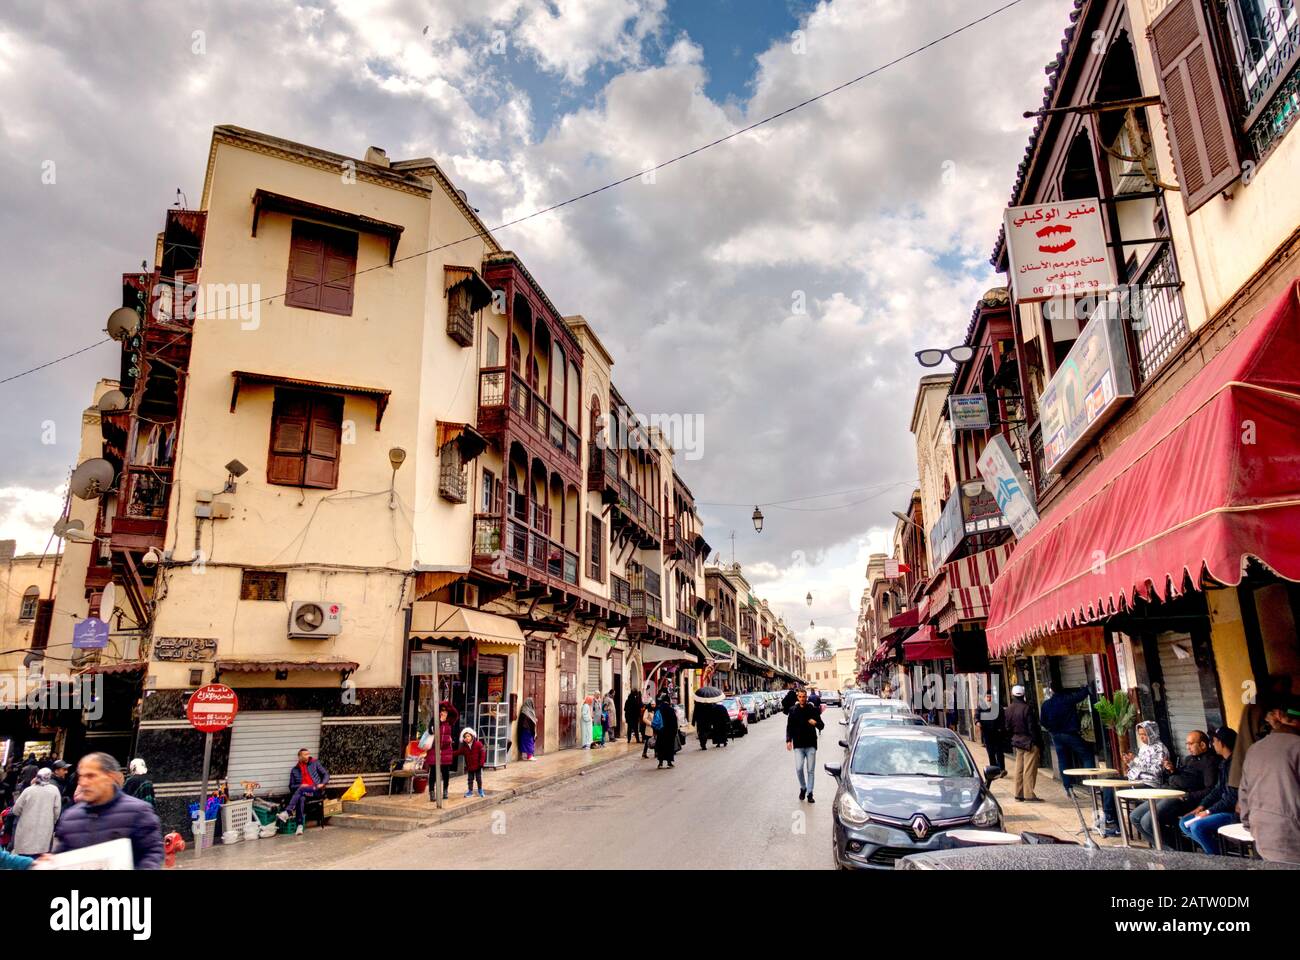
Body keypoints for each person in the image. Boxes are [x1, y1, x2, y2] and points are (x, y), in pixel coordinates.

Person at [53, 752, 163, 870]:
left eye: (91, 776)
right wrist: (51, 862)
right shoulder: (70, 817)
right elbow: (62, 857)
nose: (83, 783)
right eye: (81, 776)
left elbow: (152, 852)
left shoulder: (139, 812)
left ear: (110, 777)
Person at [1238, 695, 1300, 864]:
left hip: (1263, 835)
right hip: (1294, 838)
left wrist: (1250, 825)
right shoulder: (1297, 747)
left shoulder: (1255, 749)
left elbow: (1244, 794)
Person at [1130, 730, 1217, 846]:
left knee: (1147, 822)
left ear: (1202, 745)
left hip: (1183, 799)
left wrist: (1188, 796)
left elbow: (1210, 789)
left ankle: (1180, 849)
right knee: (1135, 816)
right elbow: (1181, 775)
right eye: (1186, 744)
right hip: (1169, 791)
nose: (1187, 747)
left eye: (1191, 744)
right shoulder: (1189, 759)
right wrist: (1172, 770)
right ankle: (1164, 848)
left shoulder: (1210, 762)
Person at [1178, 727, 1238, 855]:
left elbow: (1232, 798)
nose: (1212, 744)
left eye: (1214, 741)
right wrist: (1202, 806)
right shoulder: (1224, 763)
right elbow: (1217, 790)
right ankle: (1217, 851)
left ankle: (1218, 859)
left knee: (1197, 827)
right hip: (1220, 808)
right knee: (1184, 822)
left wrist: (1209, 811)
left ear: (1221, 743)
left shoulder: (1235, 765)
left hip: (1233, 813)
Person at [277, 748, 329, 834]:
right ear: (299, 756)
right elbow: (291, 786)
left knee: (301, 790)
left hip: (316, 790)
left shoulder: (315, 763)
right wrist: (300, 786)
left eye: (308, 754)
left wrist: (322, 783)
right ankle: (299, 826)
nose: (307, 756)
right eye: (305, 754)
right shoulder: (294, 770)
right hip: (303, 793)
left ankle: (287, 811)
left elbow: (325, 774)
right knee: (301, 798)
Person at [785, 687, 824, 803]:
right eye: (800, 697)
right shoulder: (793, 710)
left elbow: (822, 725)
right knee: (799, 768)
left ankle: (810, 793)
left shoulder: (812, 710)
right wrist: (788, 740)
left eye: (804, 697)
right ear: (798, 697)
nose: (802, 699)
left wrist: (815, 723)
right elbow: (789, 727)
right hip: (798, 745)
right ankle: (803, 787)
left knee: (810, 771)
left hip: (811, 744)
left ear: (806, 698)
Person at [1004, 685, 1042, 802]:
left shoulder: (1009, 709)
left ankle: (1018, 793)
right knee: (1029, 769)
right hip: (1029, 742)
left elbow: (1007, 727)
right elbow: (1032, 727)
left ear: (1012, 694)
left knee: (1019, 768)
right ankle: (1029, 794)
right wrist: (1037, 742)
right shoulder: (1027, 708)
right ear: (1023, 695)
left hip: (1018, 741)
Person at [11, 767, 61, 857]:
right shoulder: (54, 790)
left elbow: (16, 810)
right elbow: (57, 812)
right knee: (40, 859)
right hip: (45, 828)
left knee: (24, 859)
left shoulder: (28, 790)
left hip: (26, 830)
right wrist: (51, 821)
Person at [424, 702, 459, 802]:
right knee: (433, 773)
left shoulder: (450, 722)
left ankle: (445, 791)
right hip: (434, 750)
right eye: (442, 710)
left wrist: (450, 740)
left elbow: (453, 735)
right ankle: (431, 792)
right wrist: (439, 722)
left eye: (445, 711)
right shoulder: (434, 720)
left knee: (445, 773)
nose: (443, 713)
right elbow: (431, 731)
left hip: (446, 751)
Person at [976, 691, 1006, 772]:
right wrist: (977, 722)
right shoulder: (981, 707)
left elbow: (1003, 719)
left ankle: (1002, 769)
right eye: (988, 697)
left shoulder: (998, 707)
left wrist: (1001, 728)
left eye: (990, 697)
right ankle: (994, 769)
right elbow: (977, 716)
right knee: (990, 752)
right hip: (987, 733)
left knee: (999, 752)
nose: (989, 698)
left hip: (997, 733)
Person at [455, 728, 487, 798]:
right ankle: (470, 791)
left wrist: (481, 763)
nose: (467, 738)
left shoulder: (478, 744)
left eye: (468, 736)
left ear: (472, 736)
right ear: (464, 739)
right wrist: (447, 754)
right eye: (465, 737)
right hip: (470, 766)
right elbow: (457, 752)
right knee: (470, 779)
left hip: (478, 765)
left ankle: (480, 790)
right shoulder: (464, 747)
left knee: (478, 778)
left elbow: (483, 753)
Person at [653, 693, 679, 769]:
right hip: (669, 732)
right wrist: (675, 732)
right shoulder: (671, 710)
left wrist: (655, 731)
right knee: (669, 747)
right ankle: (669, 763)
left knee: (661, 747)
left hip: (661, 732)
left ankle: (660, 763)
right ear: (668, 701)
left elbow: (656, 720)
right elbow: (674, 722)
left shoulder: (658, 709)